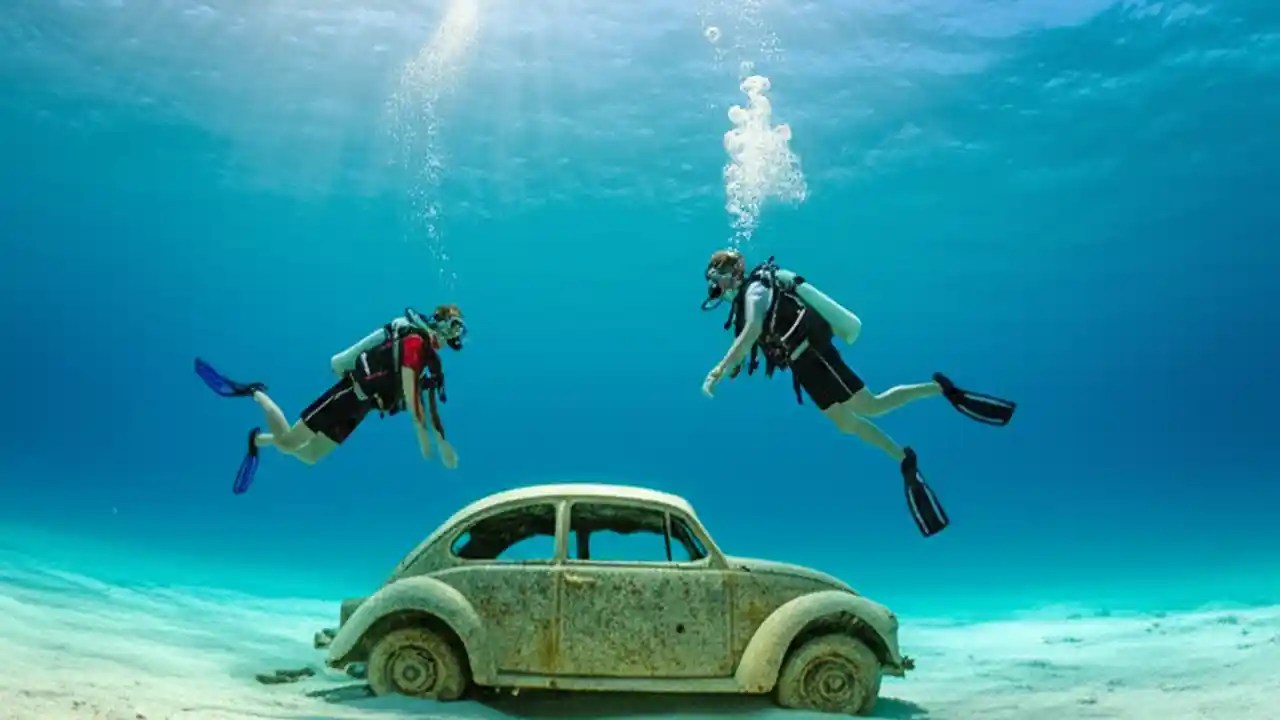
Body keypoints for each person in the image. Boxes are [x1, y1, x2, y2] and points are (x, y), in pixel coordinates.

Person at [698, 249, 1016, 537]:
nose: (716, 284)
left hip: (816, 355)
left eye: (718, 275)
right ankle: (904, 458)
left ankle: (940, 388)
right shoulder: (742, 300)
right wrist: (731, 366)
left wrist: (717, 370)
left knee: (871, 405)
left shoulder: (756, 288)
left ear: (733, 272)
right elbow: (747, 339)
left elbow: (753, 329)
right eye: (714, 278)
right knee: (845, 423)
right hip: (802, 367)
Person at [194, 305, 466, 494]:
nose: (455, 335)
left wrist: (441, 441)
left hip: (361, 409)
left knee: (310, 455)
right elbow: (408, 385)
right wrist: (422, 435)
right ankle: (255, 392)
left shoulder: (429, 360)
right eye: (454, 326)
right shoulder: (414, 342)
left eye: (460, 332)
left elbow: (424, 399)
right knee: (290, 442)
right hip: (348, 393)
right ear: (439, 320)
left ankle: (257, 440)